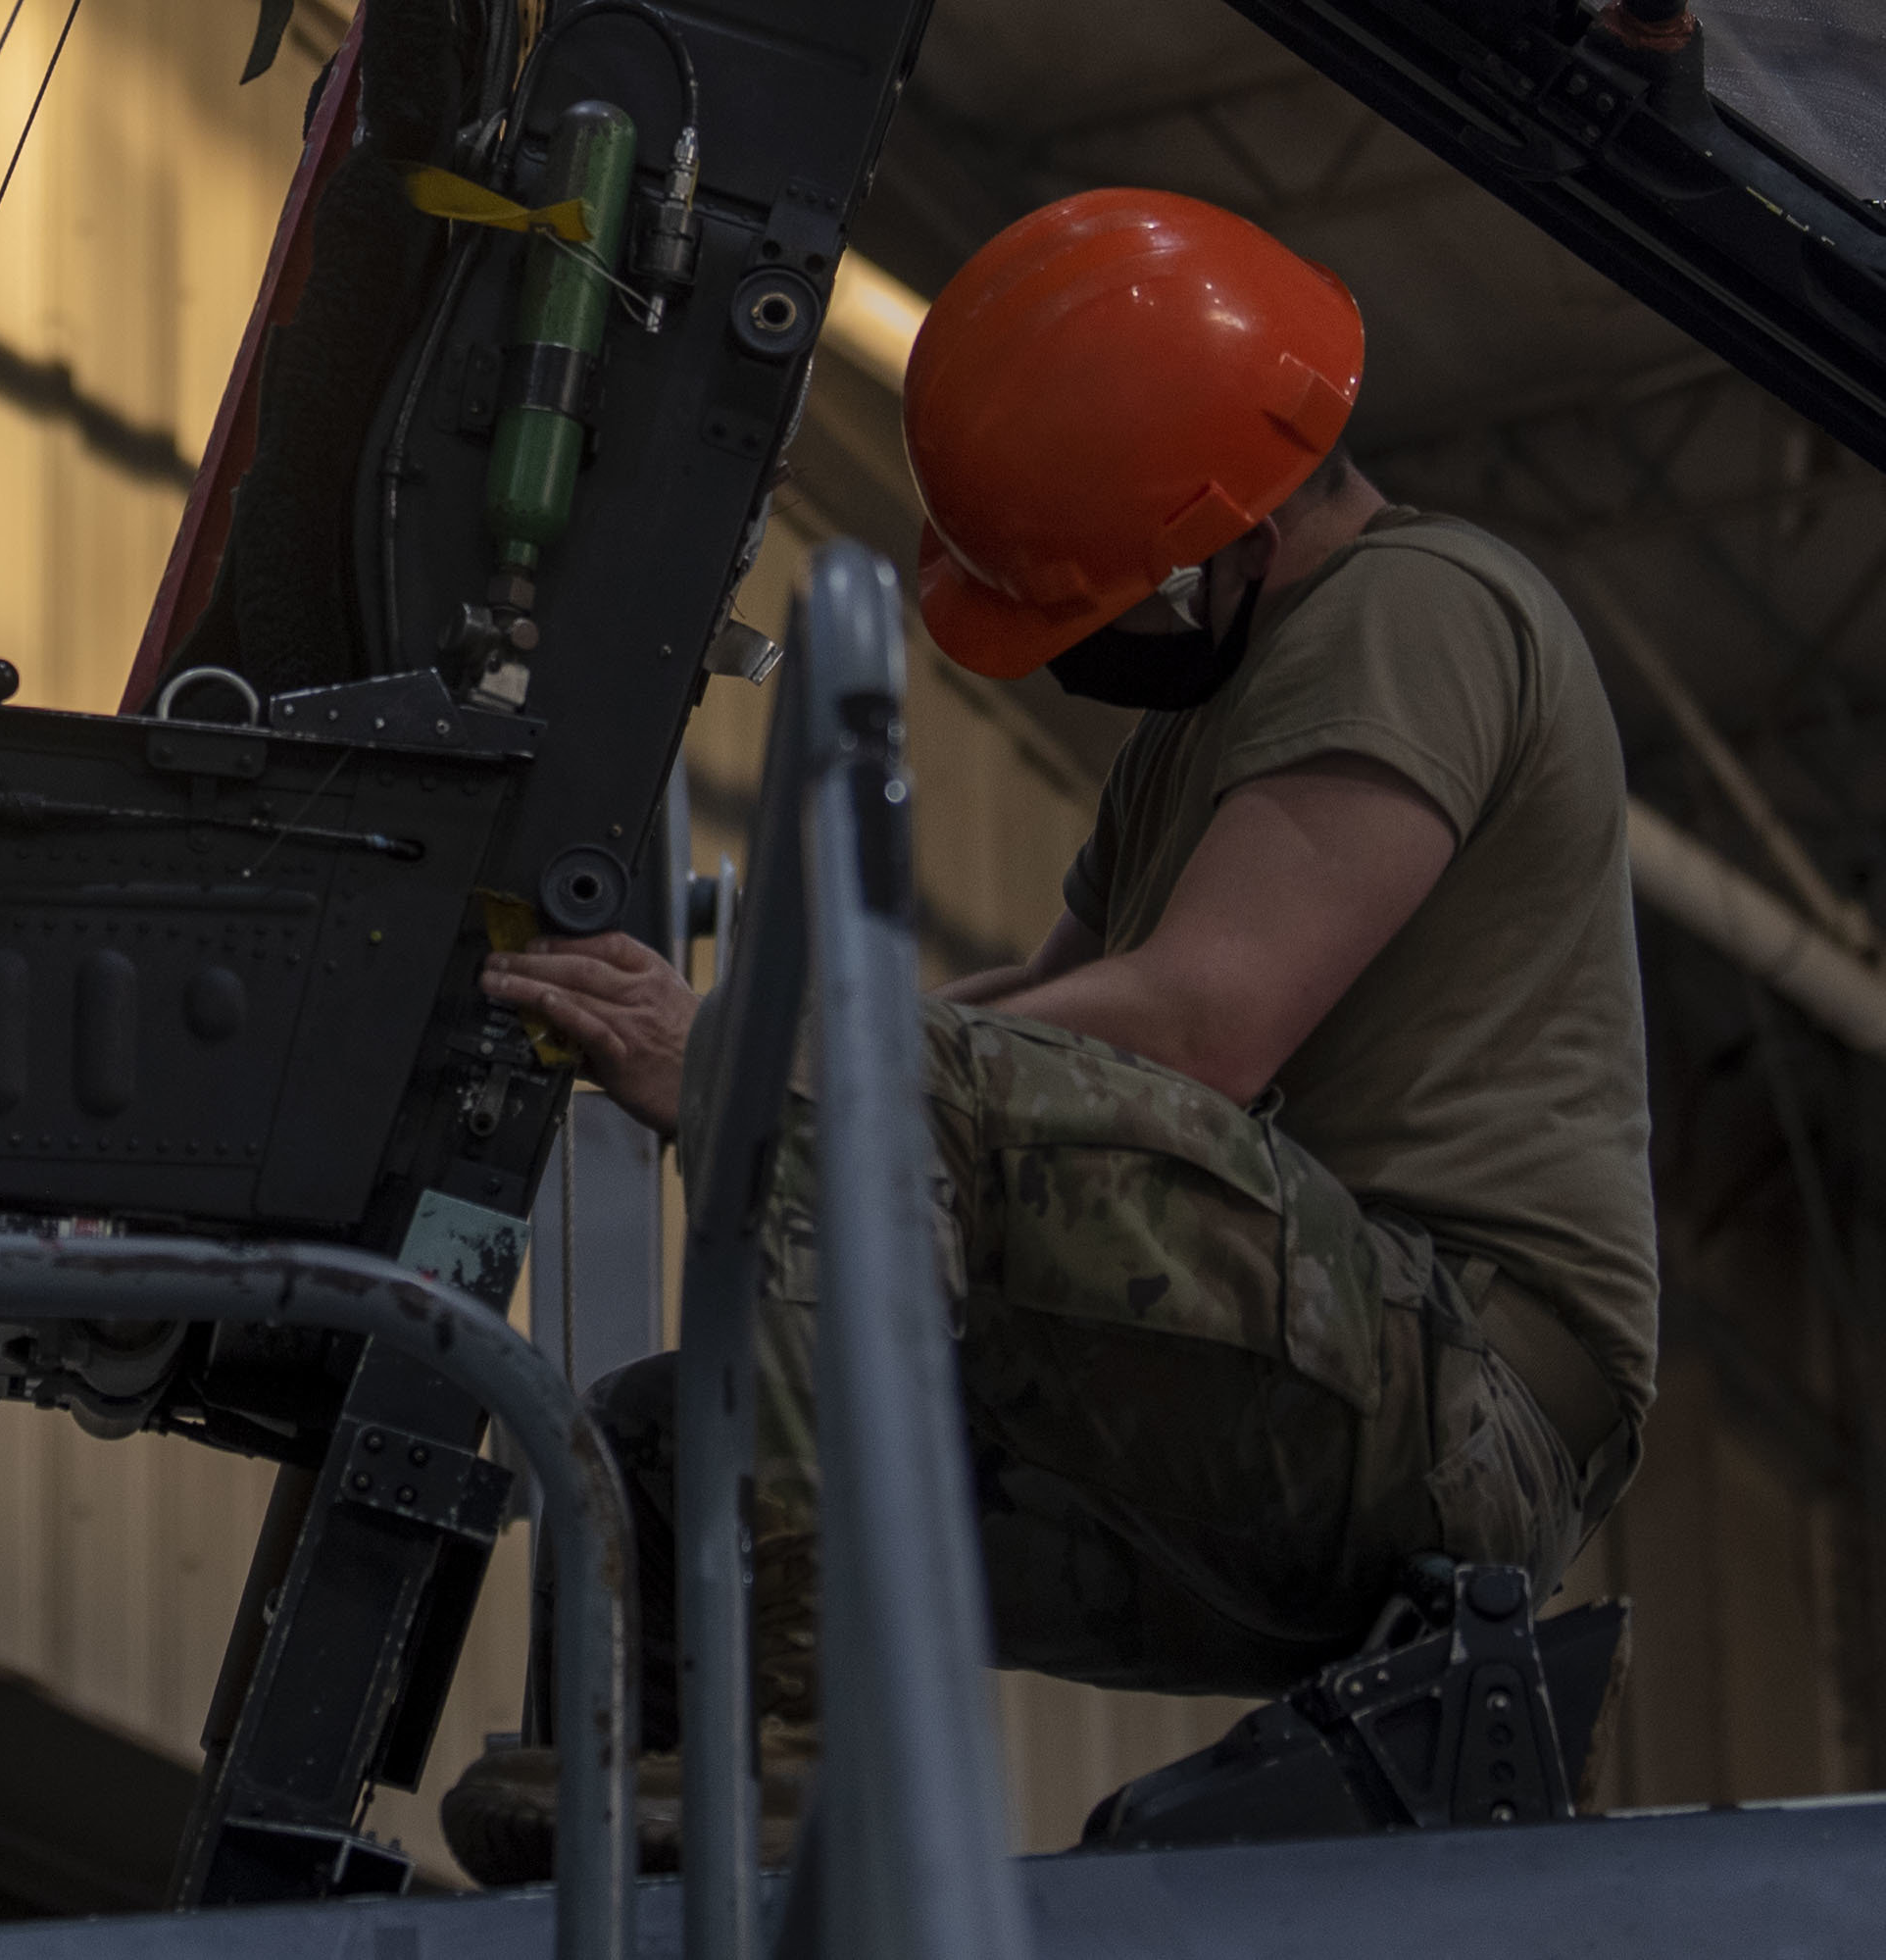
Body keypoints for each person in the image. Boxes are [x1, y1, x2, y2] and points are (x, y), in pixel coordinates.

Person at [443, 189, 1655, 1881]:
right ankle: (665, 1837)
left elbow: (1196, 1031)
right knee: (662, 1439)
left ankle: (790, 1766)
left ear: (1220, 541)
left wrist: (747, 1052)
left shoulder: (1422, 607)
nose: (1092, 646)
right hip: (1274, 1404)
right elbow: (1017, 1033)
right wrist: (737, 1041)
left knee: (883, 1091)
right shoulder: (1206, 728)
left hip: (1461, 1402)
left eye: (1115, 597)